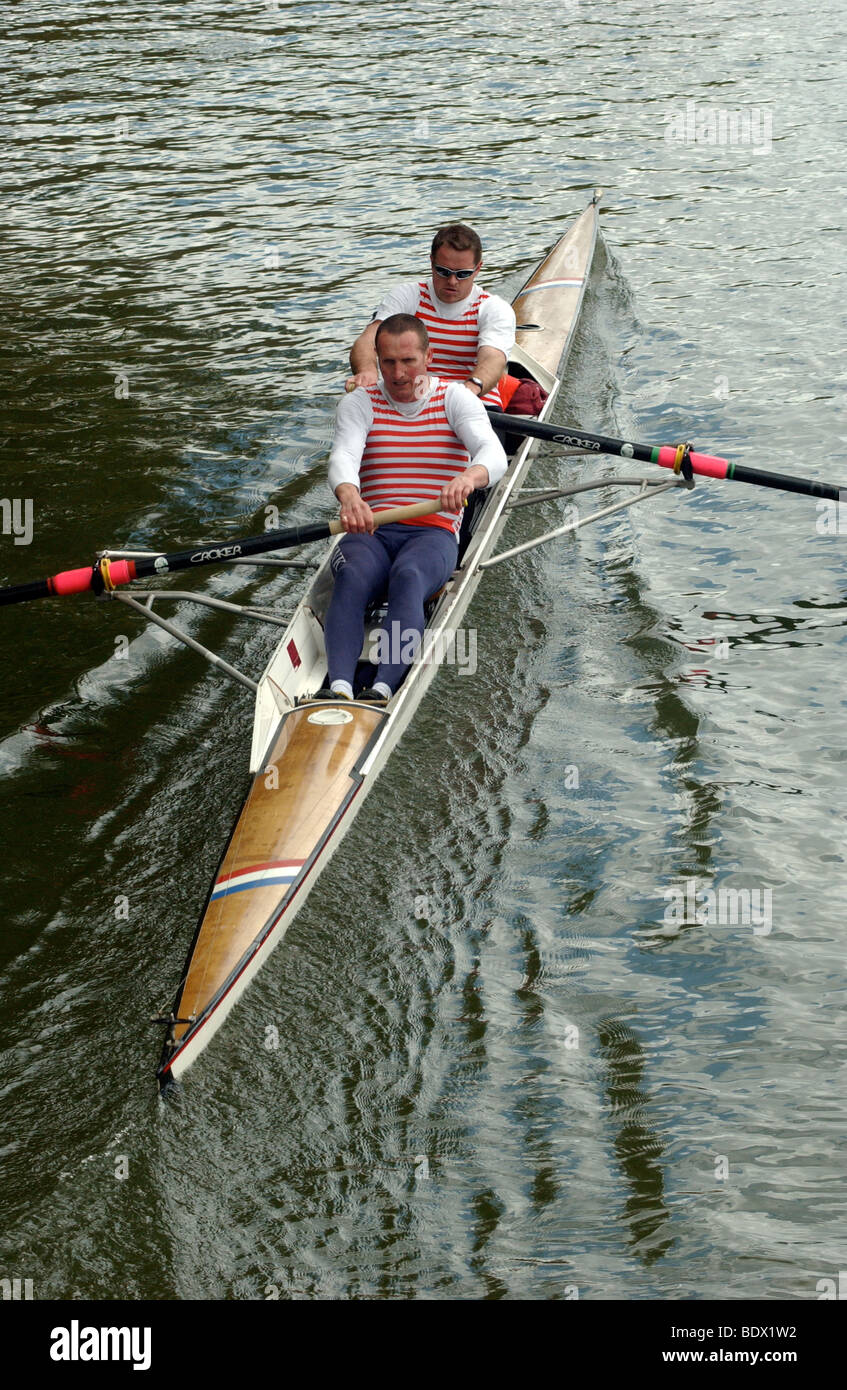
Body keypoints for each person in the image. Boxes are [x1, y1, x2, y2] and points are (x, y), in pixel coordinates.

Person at [312, 313, 508, 704]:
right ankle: (338, 687)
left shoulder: (455, 398)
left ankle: (384, 688)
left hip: (432, 532)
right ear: (377, 360)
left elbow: (493, 453)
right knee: (350, 575)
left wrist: (468, 478)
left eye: (408, 361)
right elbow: (344, 457)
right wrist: (351, 498)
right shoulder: (359, 402)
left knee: (409, 575)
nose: (398, 373)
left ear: (428, 357)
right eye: (387, 362)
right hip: (372, 529)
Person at [346, 223, 516, 408]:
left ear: (478, 269)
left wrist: (470, 389)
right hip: (412, 401)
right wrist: (367, 371)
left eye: (463, 274)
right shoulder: (408, 297)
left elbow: (493, 359)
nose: (452, 281)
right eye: (443, 271)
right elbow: (368, 340)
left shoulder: (493, 308)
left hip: (474, 401)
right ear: (431, 262)